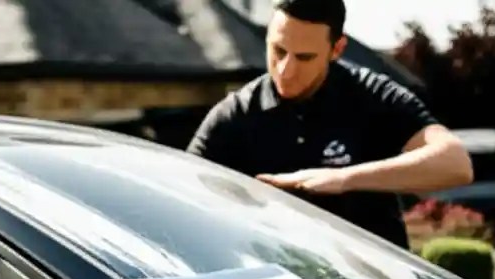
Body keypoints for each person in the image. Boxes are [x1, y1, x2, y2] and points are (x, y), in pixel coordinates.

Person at [186, 0, 473, 251]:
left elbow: (455, 164)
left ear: (337, 48)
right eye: (278, 50)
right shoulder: (234, 115)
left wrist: (342, 179)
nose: (286, 69)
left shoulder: (370, 94)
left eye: (304, 57)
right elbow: (182, 199)